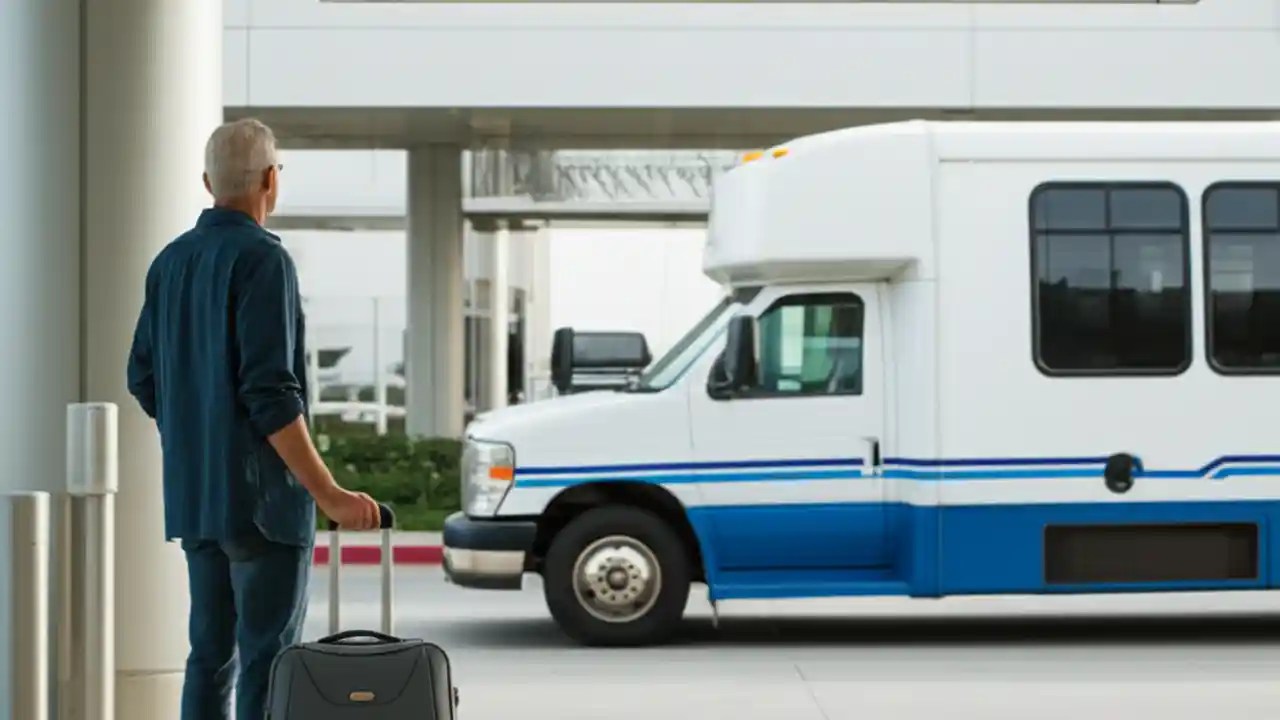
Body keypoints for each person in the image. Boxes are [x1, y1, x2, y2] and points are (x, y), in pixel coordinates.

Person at [125, 117, 382, 720]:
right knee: (267, 662)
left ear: (207, 181)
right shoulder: (264, 259)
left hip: (196, 499)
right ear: (271, 179)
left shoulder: (170, 262)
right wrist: (331, 494)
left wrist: (200, 432)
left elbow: (142, 377)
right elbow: (272, 395)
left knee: (208, 657)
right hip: (264, 508)